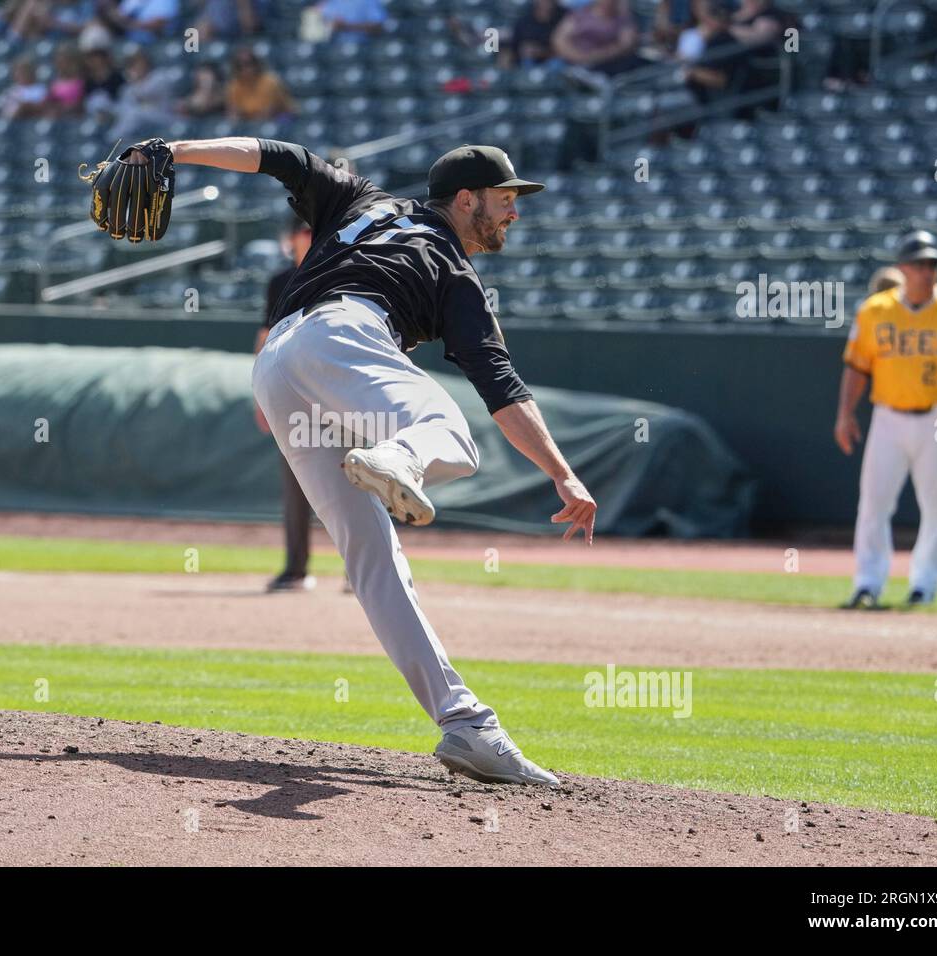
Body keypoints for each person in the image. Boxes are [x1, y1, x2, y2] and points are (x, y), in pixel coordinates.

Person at [124, 136, 597, 787]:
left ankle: (466, 724)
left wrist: (172, 148)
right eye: (506, 199)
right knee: (451, 436)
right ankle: (397, 455)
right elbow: (502, 388)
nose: (514, 212)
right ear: (467, 199)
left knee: (373, 556)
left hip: (281, 362)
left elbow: (276, 156)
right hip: (346, 332)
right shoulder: (457, 276)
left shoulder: (359, 199)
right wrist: (562, 474)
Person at [836, 230, 937, 608]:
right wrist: (845, 414)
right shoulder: (876, 310)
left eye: (933, 264)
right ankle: (868, 583)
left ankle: (924, 584)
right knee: (874, 501)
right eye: (920, 264)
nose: (927, 271)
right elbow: (857, 367)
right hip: (888, 416)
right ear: (903, 268)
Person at [255, 215, 318, 592]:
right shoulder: (281, 282)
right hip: (292, 394)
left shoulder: (342, 272)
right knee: (295, 485)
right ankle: (296, 569)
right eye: (304, 230)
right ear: (292, 237)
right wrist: (260, 394)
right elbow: (264, 336)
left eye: (315, 229)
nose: (308, 237)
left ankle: (360, 570)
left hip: (338, 390)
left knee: (361, 478)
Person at [551, 0, 642, 75]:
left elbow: (625, 45)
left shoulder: (622, 20)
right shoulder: (580, 14)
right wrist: (577, 56)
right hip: (570, 61)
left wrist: (596, 56)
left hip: (603, 67)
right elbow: (559, 38)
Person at [225, 48, 297, 122]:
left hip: (278, 117)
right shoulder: (234, 85)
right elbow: (233, 112)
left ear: (257, 65)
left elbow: (270, 111)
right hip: (248, 121)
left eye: (249, 64)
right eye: (240, 66)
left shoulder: (270, 82)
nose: (245, 70)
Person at [507, 0, 566, 67]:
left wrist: (541, 52)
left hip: (557, 61)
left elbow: (567, 50)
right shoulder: (524, 20)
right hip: (528, 63)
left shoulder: (565, 17)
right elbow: (513, 47)